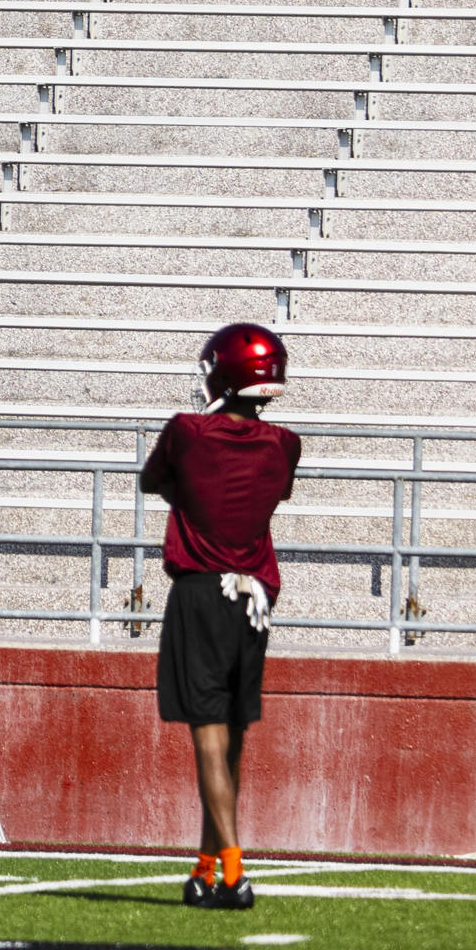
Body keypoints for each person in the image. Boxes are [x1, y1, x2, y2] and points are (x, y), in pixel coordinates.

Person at [142, 324, 302, 912]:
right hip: (254, 599)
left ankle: (234, 872)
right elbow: (269, 493)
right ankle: (206, 869)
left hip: (202, 593)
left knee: (209, 737)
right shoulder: (285, 443)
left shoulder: (188, 431)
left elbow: (150, 480)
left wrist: (188, 491)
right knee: (231, 738)